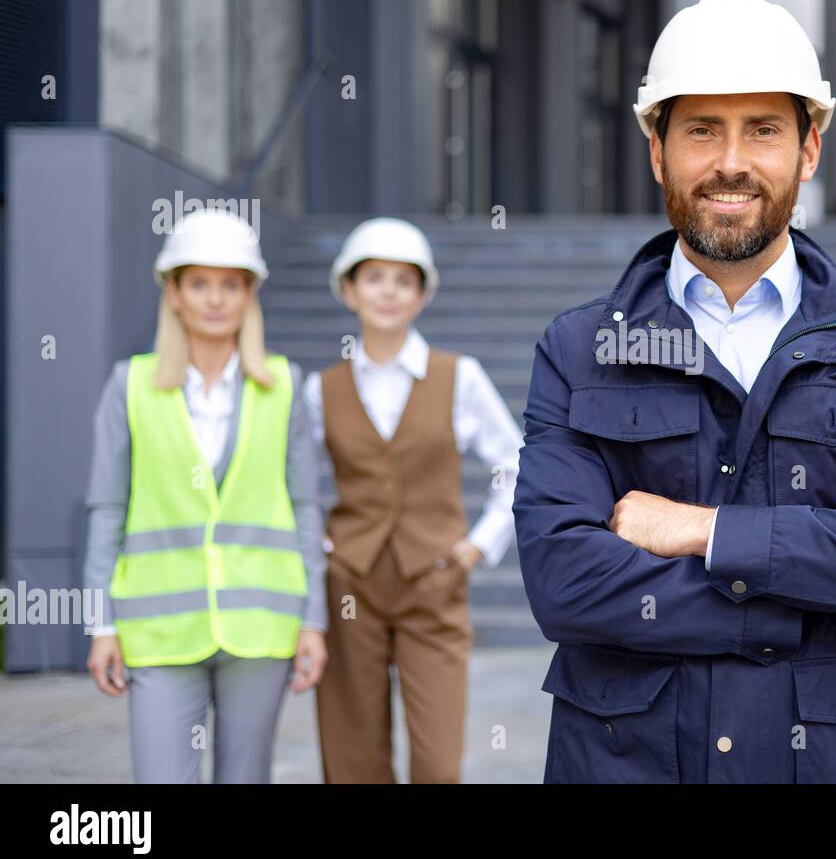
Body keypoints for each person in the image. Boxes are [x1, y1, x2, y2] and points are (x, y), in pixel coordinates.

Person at [513, 0, 836, 783]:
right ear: (658, 151)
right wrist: (828, 560)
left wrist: (701, 531)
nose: (732, 161)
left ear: (809, 150)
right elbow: (566, 583)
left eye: (763, 128)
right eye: (702, 129)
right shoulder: (578, 350)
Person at [84, 207, 328, 783]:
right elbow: (107, 509)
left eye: (230, 285)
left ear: (249, 296)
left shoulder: (284, 385)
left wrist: (313, 620)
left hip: (262, 624)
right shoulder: (131, 385)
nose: (215, 300)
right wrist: (100, 624)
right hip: (159, 629)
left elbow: (306, 507)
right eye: (199, 284)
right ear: (173, 293)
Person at [305, 217, 524, 784]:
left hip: (434, 579)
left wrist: (477, 547)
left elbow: (519, 464)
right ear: (348, 291)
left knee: (437, 760)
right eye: (373, 278)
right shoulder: (319, 389)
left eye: (403, 280)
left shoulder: (459, 377)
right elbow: (292, 482)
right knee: (351, 757)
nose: (387, 291)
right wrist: (322, 547)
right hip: (350, 583)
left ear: (422, 294)